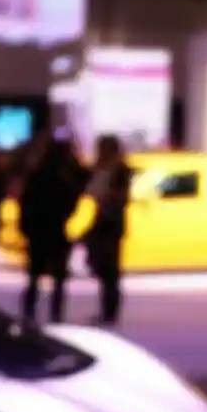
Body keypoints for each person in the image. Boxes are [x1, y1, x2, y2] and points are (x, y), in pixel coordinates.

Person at [19, 137, 84, 324]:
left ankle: (30, 313)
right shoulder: (65, 178)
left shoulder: (38, 175)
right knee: (57, 278)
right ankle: (55, 315)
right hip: (56, 230)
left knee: (35, 276)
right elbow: (73, 199)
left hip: (40, 231)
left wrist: (26, 227)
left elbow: (26, 202)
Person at [83, 134, 132, 326]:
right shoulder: (99, 169)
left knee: (110, 270)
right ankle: (107, 309)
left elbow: (120, 197)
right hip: (100, 222)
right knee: (102, 267)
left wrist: (108, 197)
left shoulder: (120, 170)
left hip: (111, 224)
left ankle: (110, 311)